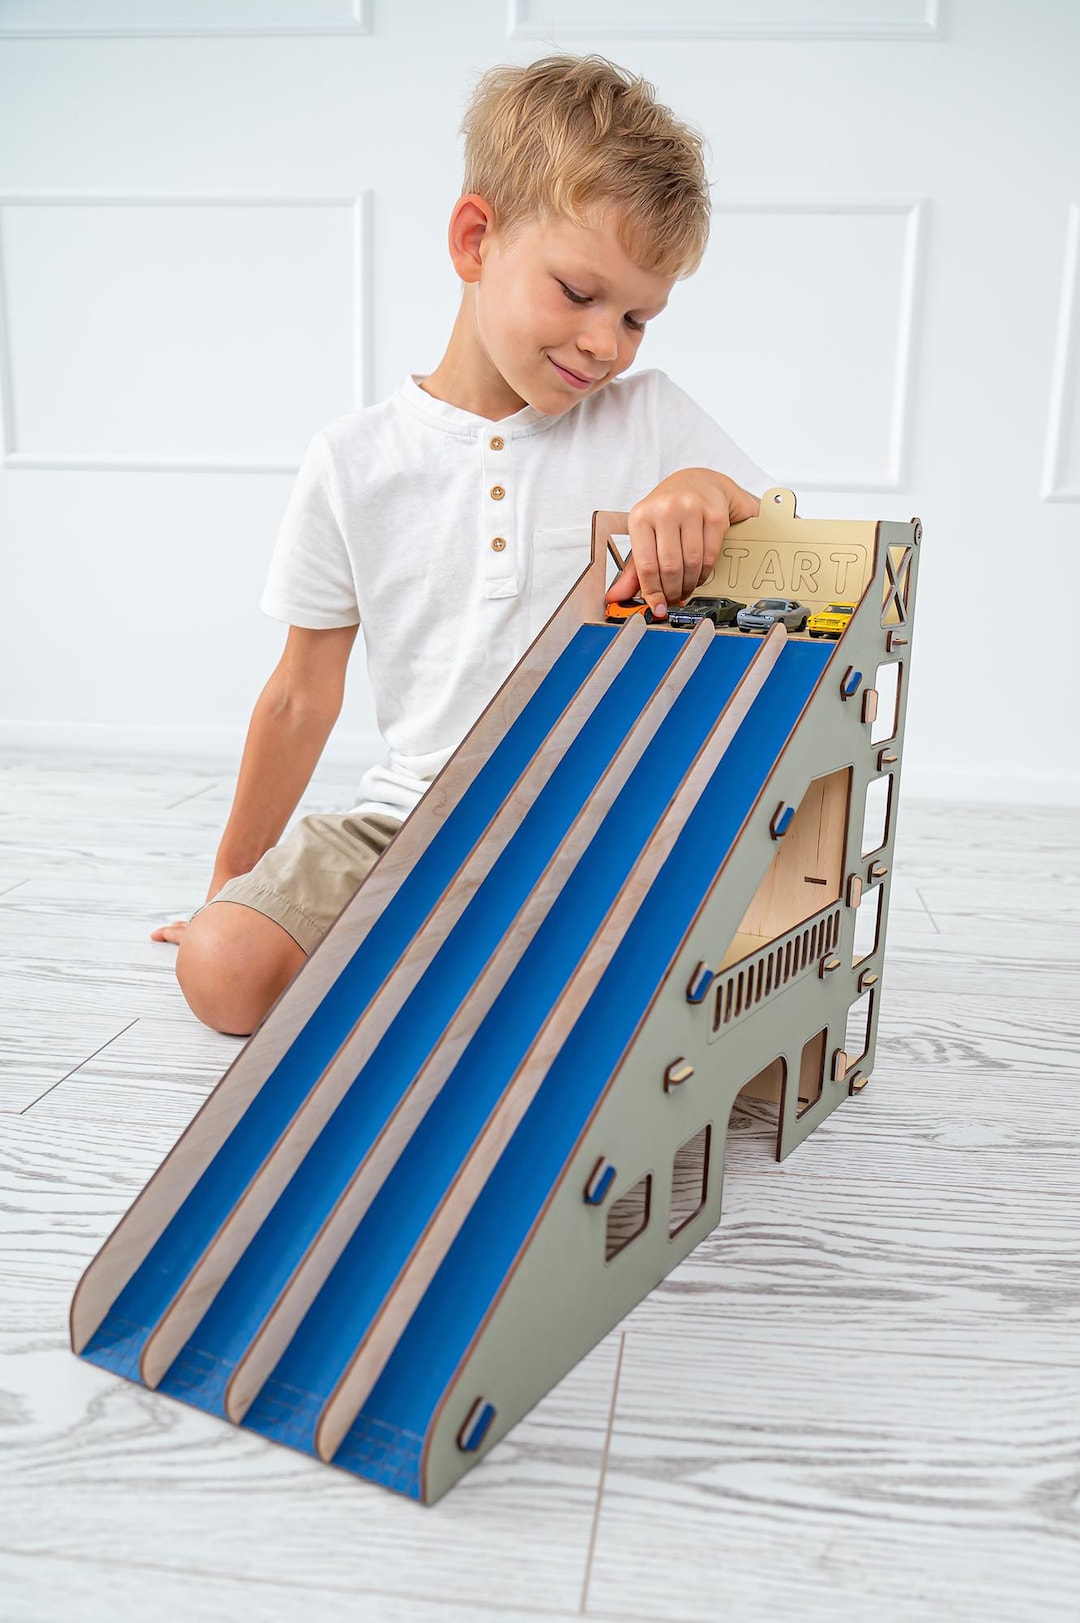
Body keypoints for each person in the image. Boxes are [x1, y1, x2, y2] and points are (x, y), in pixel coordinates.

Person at [152, 53, 769, 1035]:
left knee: (643, 990)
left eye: (636, 317)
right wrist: (232, 884)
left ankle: (469, 978)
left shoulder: (648, 421)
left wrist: (706, 490)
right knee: (224, 970)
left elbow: (787, 538)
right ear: (477, 240)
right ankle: (454, 971)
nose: (607, 342)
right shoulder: (354, 462)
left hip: (592, 833)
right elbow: (299, 696)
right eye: (578, 292)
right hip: (404, 824)